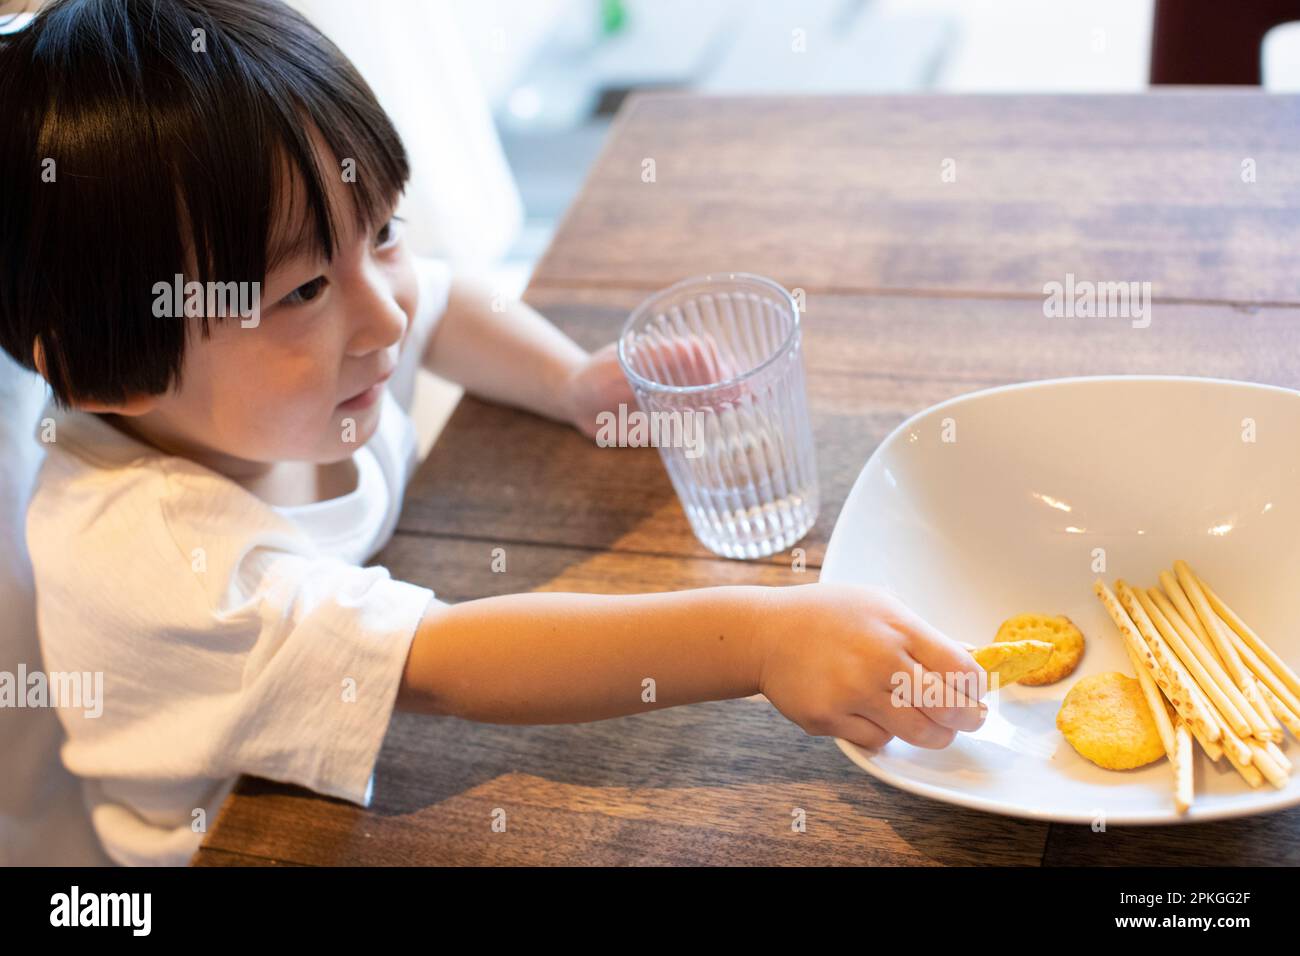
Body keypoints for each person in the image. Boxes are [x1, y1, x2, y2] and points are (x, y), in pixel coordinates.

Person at [0, 0, 985, 866]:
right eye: (303, 288)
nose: (382, 314)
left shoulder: (281, 368)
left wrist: (567, 378)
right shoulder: (166, 562)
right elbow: (448, 660)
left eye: (381, 231)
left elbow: (441, 305)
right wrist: (762, 636)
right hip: (238, 834)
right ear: (104, 370)